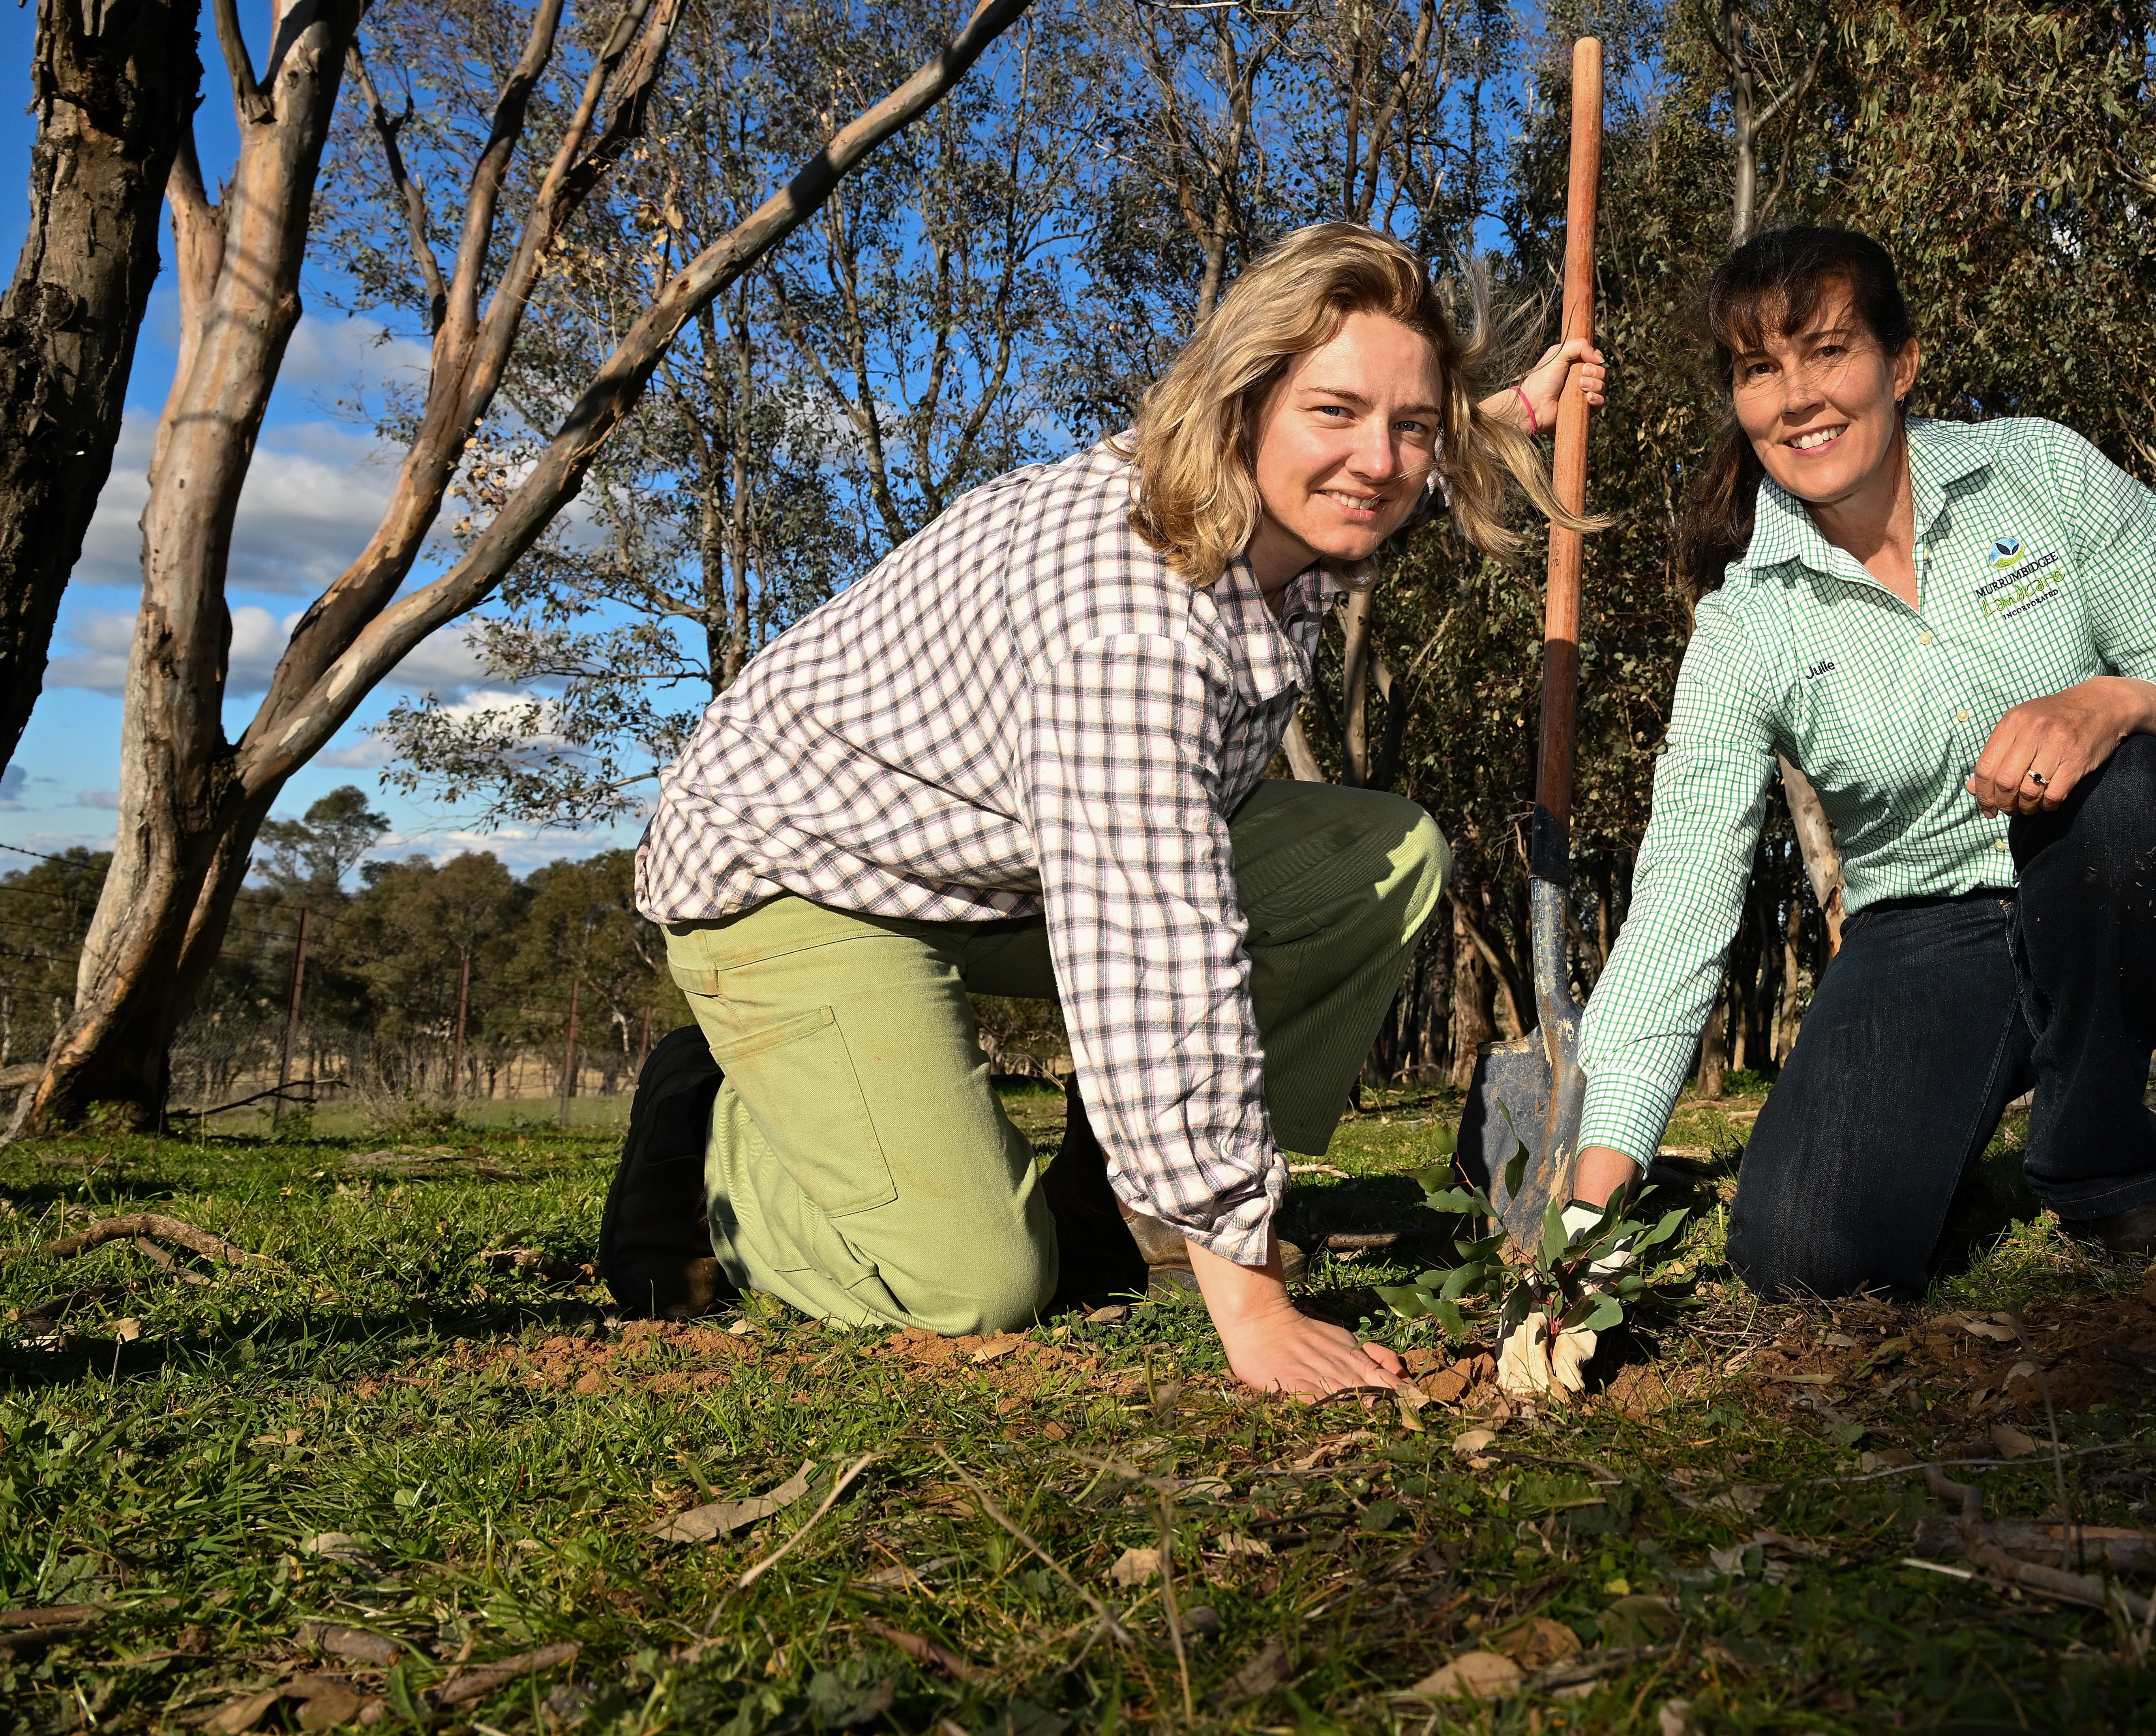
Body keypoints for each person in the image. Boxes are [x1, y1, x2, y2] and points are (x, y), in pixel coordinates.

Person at [604, 223, 1603, 1398]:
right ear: (1243, 404)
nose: (1381, 461)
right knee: (979, 1287)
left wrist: (1504, 419)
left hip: (980, 861)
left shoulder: (1271, 493)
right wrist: (1252, 1299)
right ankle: (717, 1134)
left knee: (1378, 855)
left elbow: (1372, 467)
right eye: (1335, 412)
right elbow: (1152, 949)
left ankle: (1135, 1206)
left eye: (1414, 423)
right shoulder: (1134, 628)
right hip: (791, 877)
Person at [1570, 226, 2156, 1301]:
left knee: (2127, 794)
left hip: (2118, 880)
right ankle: (1947, 1120)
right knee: (1808, 1260)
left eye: (1829, 351)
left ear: (1901, 364)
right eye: (1761, 369)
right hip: (1925, 933)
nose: (1798, 396)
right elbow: (1684, 892)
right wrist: (1592, 1193)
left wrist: (2115, 702)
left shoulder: (2041, 473)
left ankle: (2103, 1161)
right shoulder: (1744, 626)